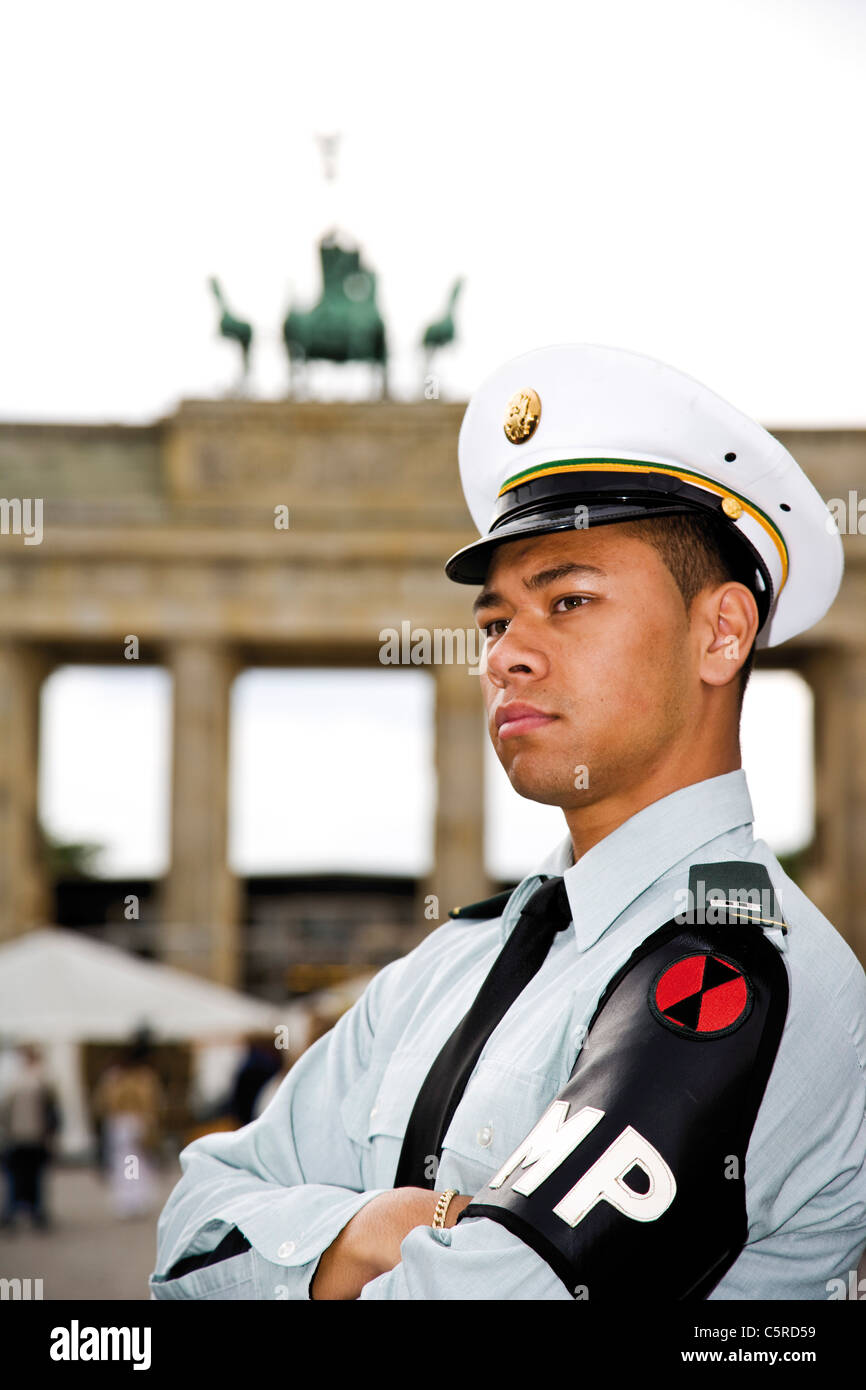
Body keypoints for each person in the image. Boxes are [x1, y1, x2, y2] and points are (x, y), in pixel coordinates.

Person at [150, 344, 866, 1300]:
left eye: (568, 601)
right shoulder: (449, 965)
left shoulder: (742, 962)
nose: (505, 656)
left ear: (721, 633)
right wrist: (359, 1234)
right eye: (494, 623)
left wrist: (299, 1252)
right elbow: (185, 1236)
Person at [92, 1038, 164, 1220]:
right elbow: (154, 1102)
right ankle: (134, 1199)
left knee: (128, 1162)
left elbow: (102, 1102)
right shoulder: (143, 1077)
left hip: (120, 1123)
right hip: (136, 1121)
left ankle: (130, 1199)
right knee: (134, 1161)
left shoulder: (115, 1077)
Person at [0, 1044, 59, 1231]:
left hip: (19, 1137)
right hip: (34, 1137)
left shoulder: (14, 1082)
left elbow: (5, 1111)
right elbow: (51, 1111)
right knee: (33, 1178)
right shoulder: (42, 1082)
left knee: (17, 1178)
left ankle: (14, 1212)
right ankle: (35, 1212)